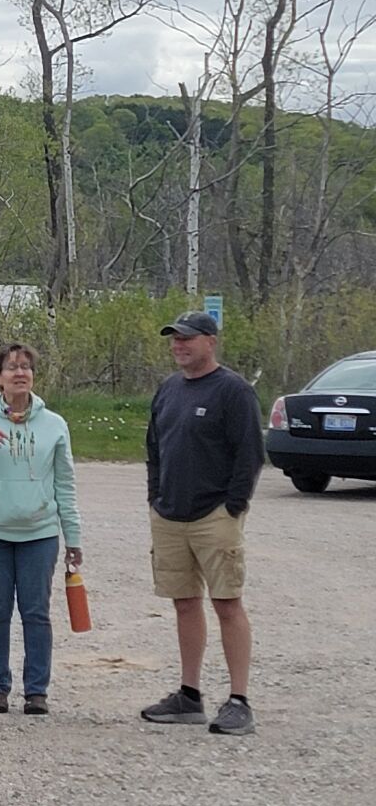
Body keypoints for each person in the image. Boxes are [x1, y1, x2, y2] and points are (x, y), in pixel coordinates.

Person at [140, 310, 265, 736]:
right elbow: (154, 448)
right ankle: (189, 696)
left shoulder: (233, 391)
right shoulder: (169, 389)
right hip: (169, 513)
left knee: (227, 603)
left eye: (187, 338)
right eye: (175, 338)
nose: (179, 345)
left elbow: (250, 454)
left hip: (215, 514)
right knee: (184, 602)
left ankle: (239, 700)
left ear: (210, 342)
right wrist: (155, 498)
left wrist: (233, 506)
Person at [0, 344, 82, 716]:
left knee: (36, 612)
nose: (20, 373)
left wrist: (73, 538)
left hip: (39, 534)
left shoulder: (53, 424)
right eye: (11, 367)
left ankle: (36, 691)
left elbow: (65, 485)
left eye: (26, 367)